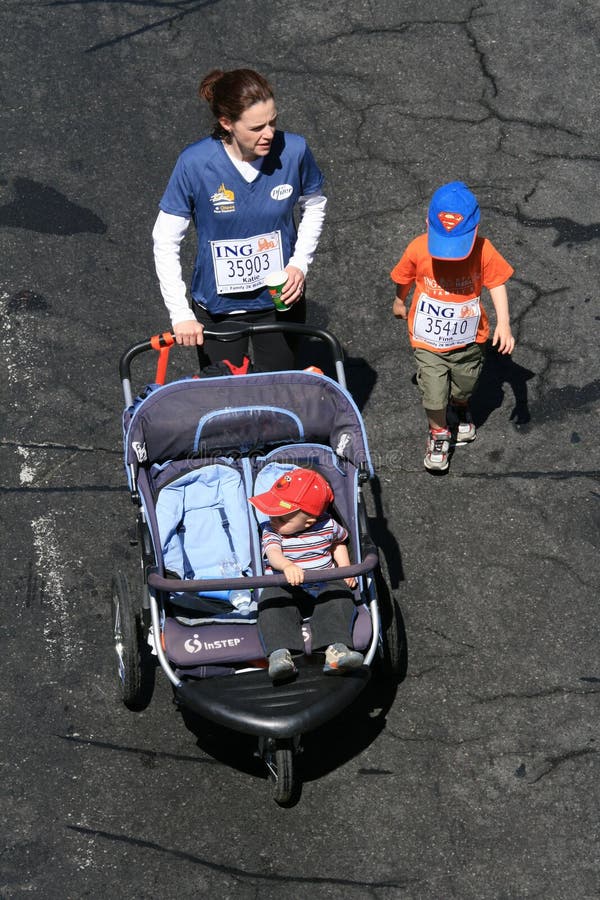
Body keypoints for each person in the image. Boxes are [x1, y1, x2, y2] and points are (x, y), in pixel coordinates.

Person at [153, 68, 327, 372]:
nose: (269, 133)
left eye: (273, 121)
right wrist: (180, 314)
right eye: (257, 127)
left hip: (279, 304)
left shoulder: (295, 151)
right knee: (226, 404)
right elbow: (165, 241)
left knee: (276, 398)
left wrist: (299, 263)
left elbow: (314, 204)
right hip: (219, 309)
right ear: (227, 123)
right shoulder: (194, 164)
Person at [390, 181, 515, 472]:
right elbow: (404, 276)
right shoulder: (418, 248)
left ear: (475, 227)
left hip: (470, 339)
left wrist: (504, 323)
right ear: (427, 223)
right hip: (427, 340)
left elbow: (496, 282)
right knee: (433, 392)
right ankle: (438, 431)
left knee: (465, 384)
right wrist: (399, 301)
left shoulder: (483, 250)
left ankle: (459, 407)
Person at [248, 468, 364, 683]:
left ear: (308, 522)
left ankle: (336, 652)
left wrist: (344, 568)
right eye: (271, 513)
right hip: (286, 582)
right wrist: (287, 566)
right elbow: (272, 554)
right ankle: (280, 655)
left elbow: (338, 543)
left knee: (339, 596)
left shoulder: (328, 526)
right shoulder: (271, 530)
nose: (273, 519)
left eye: (281, 517)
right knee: (272, 602)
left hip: (324, 581)